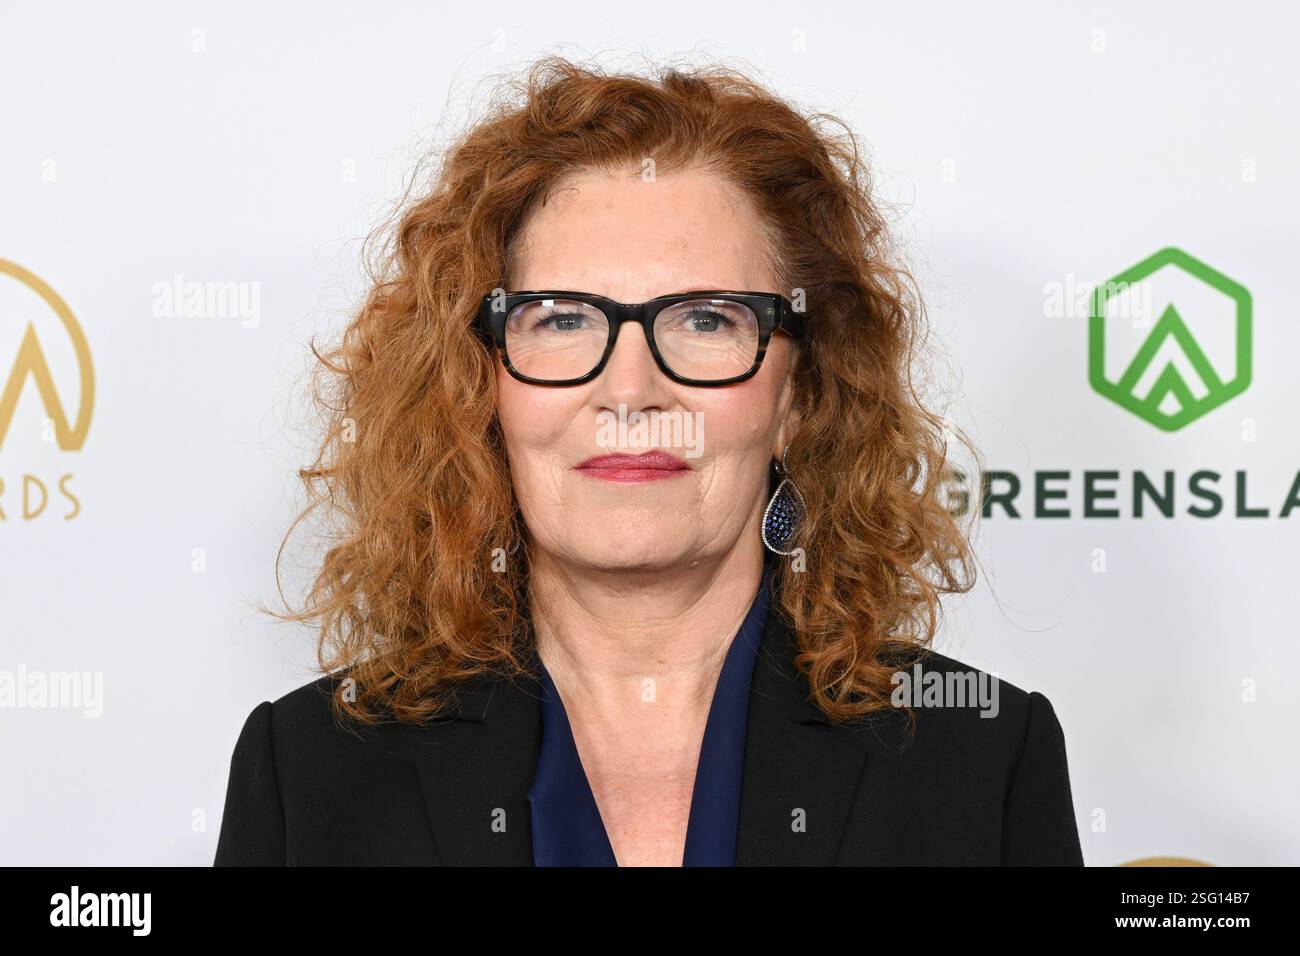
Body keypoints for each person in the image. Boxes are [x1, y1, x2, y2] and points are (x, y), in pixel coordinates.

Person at [214, 56, 1084, 867]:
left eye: (706, 320)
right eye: (561, 320)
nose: (630, 392)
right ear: (479, 387)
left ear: (798, 395)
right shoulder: (311, 770)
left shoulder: (980, 757)